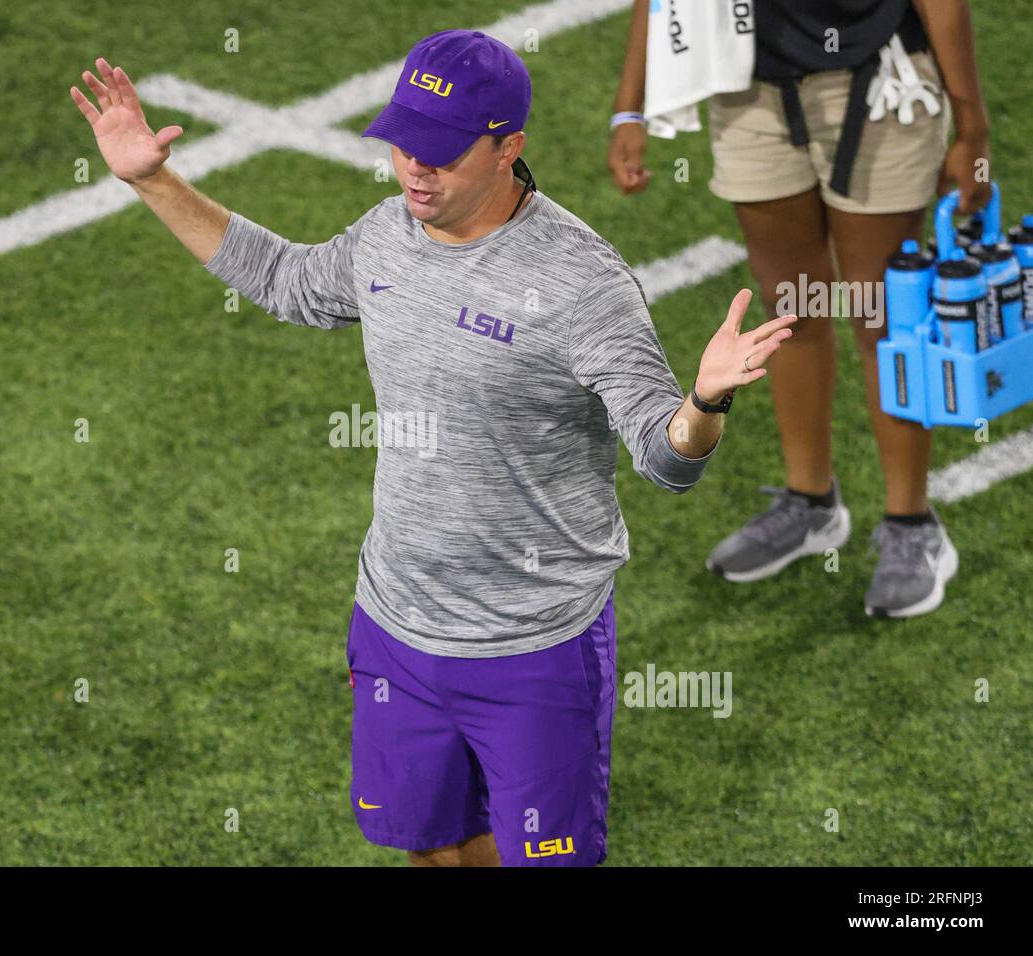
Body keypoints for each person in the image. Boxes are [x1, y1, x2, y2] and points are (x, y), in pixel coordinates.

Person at [71, 30, 795, 866]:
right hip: (396, 630)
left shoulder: (581, 284)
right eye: (403, 143)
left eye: (443, 153)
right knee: (431, 850)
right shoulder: (387, 237)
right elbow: (285, 281)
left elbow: (667, 461)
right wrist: (152, 179)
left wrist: (705, 400)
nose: (416, 167)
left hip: (535, 649)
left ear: (508, 149)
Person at [608, 0, 991, 618]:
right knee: (792, 309)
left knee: (881, 317)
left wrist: (971, 126)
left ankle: (913, 523)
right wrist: (630, 104)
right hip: (748, 89)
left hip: (880, 84)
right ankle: (811, 504)